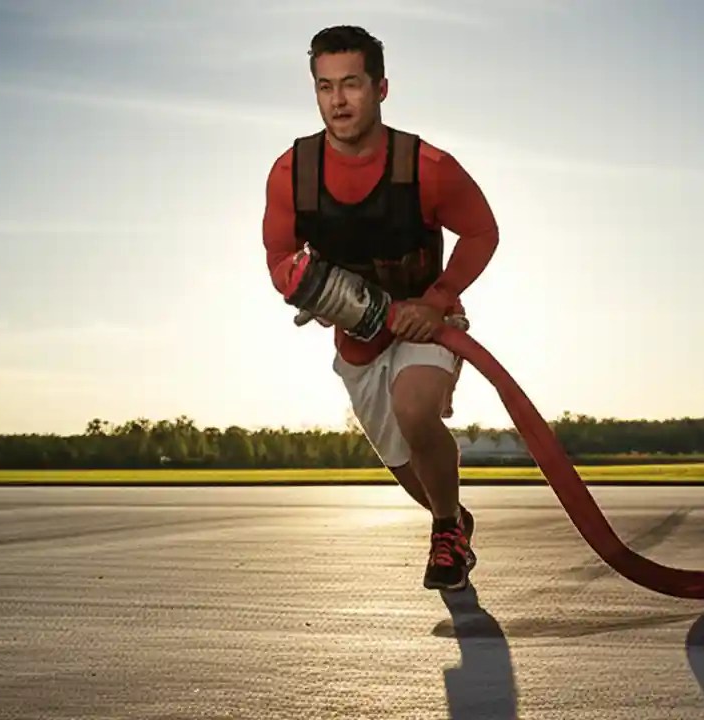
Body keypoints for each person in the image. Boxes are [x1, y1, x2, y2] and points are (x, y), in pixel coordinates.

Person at [261, 26, 500, 591]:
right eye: (325, 87)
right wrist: (313, 290)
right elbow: (279, 257)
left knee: (414, 410)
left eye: (351, 84)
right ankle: (453, 519)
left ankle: (445, 532)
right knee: (401, 458)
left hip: (429, 324)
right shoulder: (292, 172)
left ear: (381, 88)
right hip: (358, 337)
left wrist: (437, 301)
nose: (338, 100)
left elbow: (481, 232)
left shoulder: (427, 165)